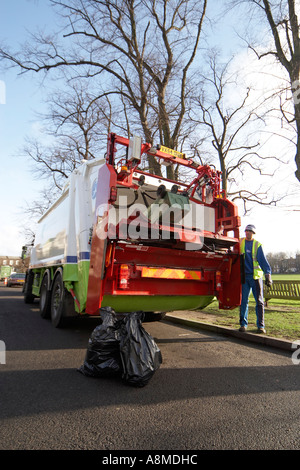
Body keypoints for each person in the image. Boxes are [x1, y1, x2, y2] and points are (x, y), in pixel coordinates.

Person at [239, 224, 272, 334]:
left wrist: (268, 275)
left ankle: (261, 326)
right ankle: (243, 325)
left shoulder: (257, 245)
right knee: (243, 301)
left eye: (249, 231)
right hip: (245, 277)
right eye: (246, 231)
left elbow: (263, 261)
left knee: (259, 301)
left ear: (253, 233)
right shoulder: (240, 242)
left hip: (255, 278)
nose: (247, 232)